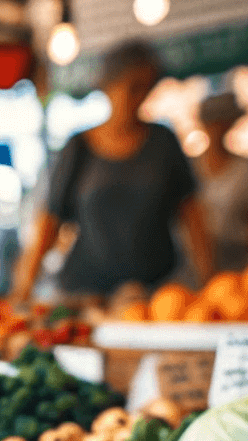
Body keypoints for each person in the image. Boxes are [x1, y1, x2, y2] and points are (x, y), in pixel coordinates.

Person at [12, 40, 213, 303]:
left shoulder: (163, 143)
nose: (139, 97)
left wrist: (210, 283)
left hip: (157, 295)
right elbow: (50, 221)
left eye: (146, 88)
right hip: (86, 295)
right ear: (109, 85)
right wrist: (22, 290)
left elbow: (192, 217)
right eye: (132, 87)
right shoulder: (78, 147)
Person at [194, 91, 248, 272]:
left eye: (222, 122)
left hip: (236, 258)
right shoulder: (189, 166)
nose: (216, 128)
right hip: (193, 259)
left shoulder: (245, 168)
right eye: (212, 122)